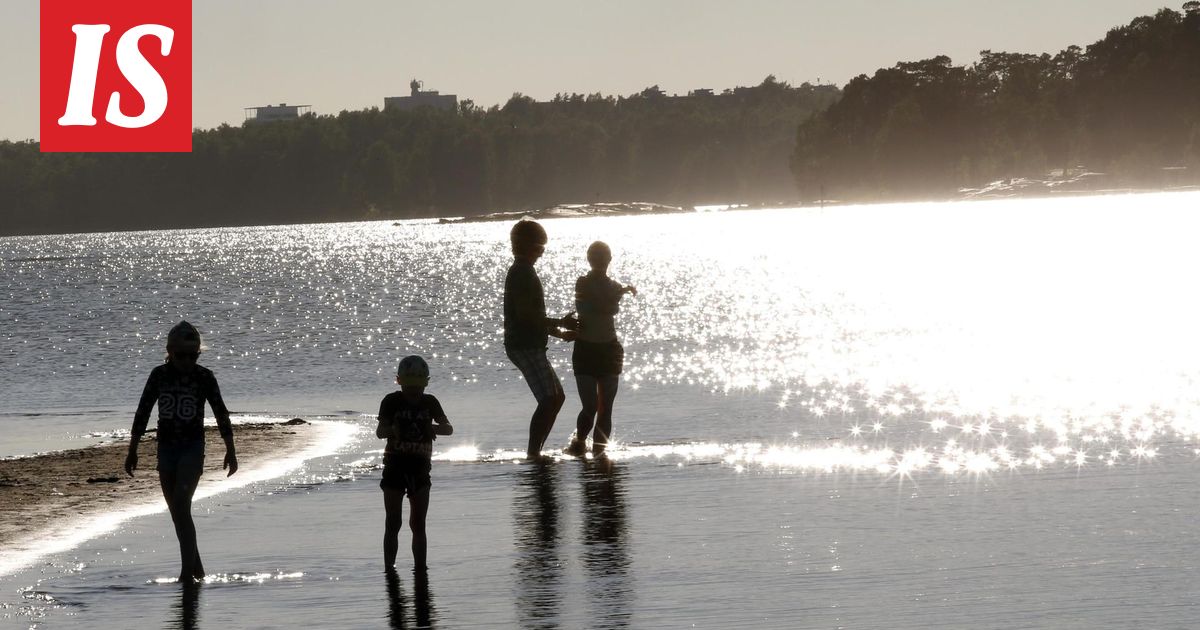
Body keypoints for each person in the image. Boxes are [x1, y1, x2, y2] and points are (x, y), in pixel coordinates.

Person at [124, 321, 238, 584]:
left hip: (192, 448)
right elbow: (143, 413)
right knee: (177, 512)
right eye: (180, 356)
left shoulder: (204, 377)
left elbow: (221, 413)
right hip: (165, 449)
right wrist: (133, 450)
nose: (186, 361)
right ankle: (197, 570)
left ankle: (187, 575)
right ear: (169, 352)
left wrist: (231, 451)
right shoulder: (158, 376)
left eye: (192, 356)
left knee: (181, 504)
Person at [503, 219, 578, 459]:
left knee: (557, 397)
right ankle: (533, 454)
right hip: (523, 346)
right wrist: (560, 324)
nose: (541, 254)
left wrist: (559, 333)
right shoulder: (521, 273)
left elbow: (534, 317)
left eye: (543, 249)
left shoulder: (526, 271)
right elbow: (527, 317)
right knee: (549, 399)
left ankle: (537, 451)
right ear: (524, 246)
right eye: (539, 249)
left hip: (531, 344)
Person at [376, 355, 454, 571]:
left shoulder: (430, 402)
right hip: (394, 468)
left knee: (418, 524)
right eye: (409, 386)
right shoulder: (391, 402)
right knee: (393, 522)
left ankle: (421, 570)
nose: (414, 392)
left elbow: (448, 428)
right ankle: (389, 569)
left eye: (418, 387)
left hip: (420, 470)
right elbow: (380, 432)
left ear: (426, 383)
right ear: (399, 381)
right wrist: (393, 430)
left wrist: (434, 429)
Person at [564, 241, 636, 458]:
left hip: (610, 349)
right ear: (589, 260)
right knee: (590, 406)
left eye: (603, 257)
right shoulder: (582, 283)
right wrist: (619, 293)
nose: (600, 262)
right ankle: (579, 442)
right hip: (585, 350)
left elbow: (609, 309)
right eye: (595, 257)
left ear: (609, 260)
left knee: (606, 408)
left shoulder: (615, 287)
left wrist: (618, 293)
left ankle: (599, 456)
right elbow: (593, 307)